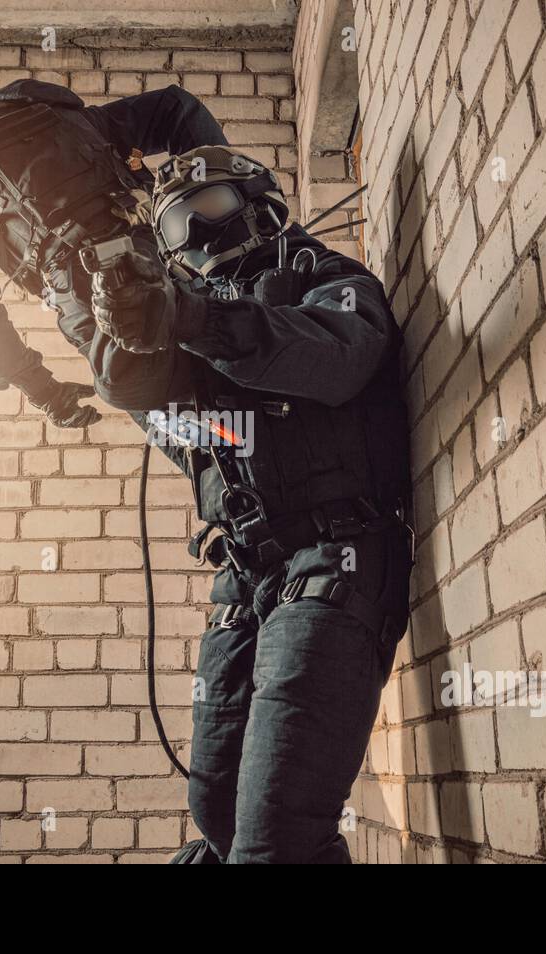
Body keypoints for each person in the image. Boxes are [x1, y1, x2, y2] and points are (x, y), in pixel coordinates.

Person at [90, 145, 413, 863]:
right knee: (215, 815)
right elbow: (145, 399)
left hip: (338, 558)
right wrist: (123, 311)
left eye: (211, 208)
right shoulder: (193, 325)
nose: (197, 233)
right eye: (176, 225)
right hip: (245, 580)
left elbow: (336, 358)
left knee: (276, 835)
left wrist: (195, 319)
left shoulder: (325, 279)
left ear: (261, 204)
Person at [0, 79, 227, 427]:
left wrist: (45, 392)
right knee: (249, 352)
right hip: (187, 262)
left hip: (111, 316)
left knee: (173, 416)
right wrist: (219, 206)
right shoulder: (66, 117)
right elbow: (175, 108)